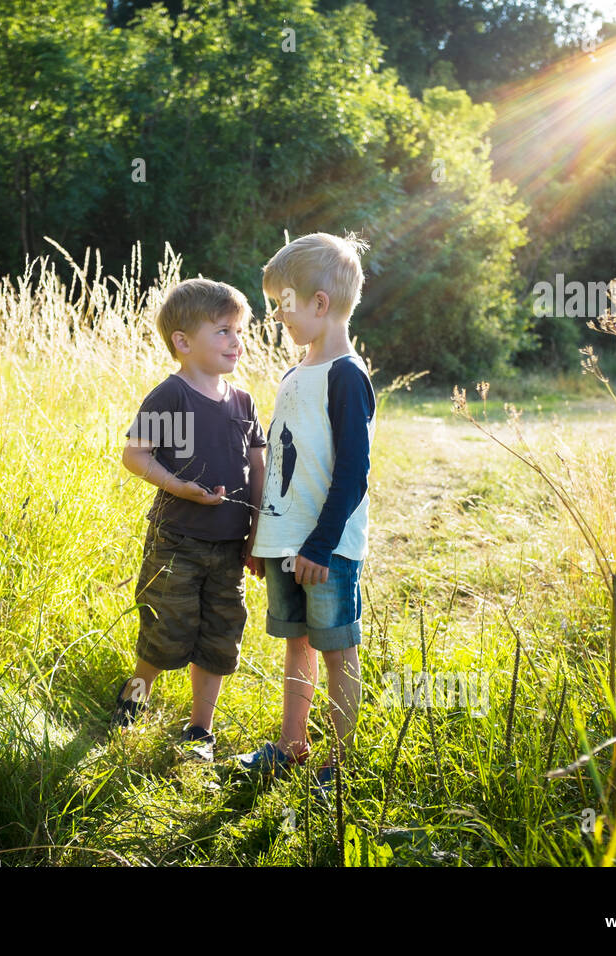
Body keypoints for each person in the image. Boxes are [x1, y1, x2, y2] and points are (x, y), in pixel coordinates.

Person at [236, 233, 376, 801]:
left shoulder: (346, 374)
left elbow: (353, 471)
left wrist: (320, 544)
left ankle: (335, 768)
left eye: (283, 303)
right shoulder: (296, 373)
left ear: (320, 304)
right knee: (296, 643)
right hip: (282, 539)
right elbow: (279, 461)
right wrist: (259, 535)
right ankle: (291, 746)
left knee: (337, 649)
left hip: (327, 547)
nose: (277, 316)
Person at [112, 278, 267, 762]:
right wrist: (178, 487)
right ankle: (134, 695)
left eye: (239, 331)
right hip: (177, 539)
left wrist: (258, 529)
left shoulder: (240, 403)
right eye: (223, 331)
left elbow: (258, 466)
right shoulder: (174, 397)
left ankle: (201, 729)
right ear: (183, 341)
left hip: (229, 545)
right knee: (165, 628)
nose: (236, 341)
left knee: (221, 634)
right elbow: (137, 455)